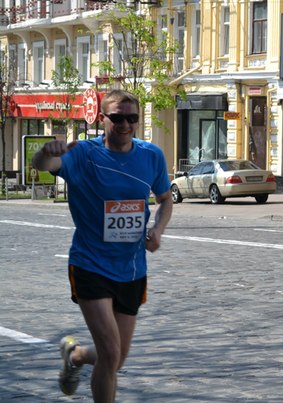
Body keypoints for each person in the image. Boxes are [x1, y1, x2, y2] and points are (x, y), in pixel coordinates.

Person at [32, 89, 173, 402]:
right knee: (110, 352)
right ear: (102, 118)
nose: (125, 125)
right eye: (118, 118)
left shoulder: (151, 156)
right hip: (90, 264)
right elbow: (42, 163)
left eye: (132, 118)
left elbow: (165, 199)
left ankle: (75, 355)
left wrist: (158, 229)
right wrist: (46, 150)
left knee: (116, 358)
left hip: (132, 269)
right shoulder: (83, 153)